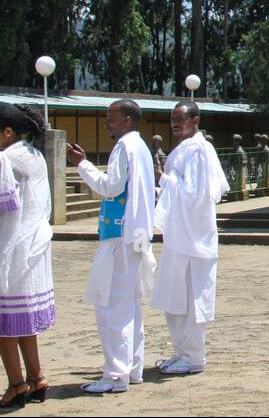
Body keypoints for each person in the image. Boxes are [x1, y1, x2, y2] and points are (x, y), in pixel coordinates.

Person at [68, 100, 157, 395]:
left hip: (120, 234)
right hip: (132, 234)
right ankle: (130, 368)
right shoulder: (140, 146)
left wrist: (82, 165)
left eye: (111, 118)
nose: (107, 122)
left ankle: (115, 375)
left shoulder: (124, 147)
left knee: (111, 306)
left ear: (127, 120)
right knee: (128, 305)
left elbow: (112, 187)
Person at [0, 103, 55, 408]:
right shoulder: (35, 154)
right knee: (24, 321)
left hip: (11, 246)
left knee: (4, 322)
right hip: (36, 242)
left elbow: (3, 208)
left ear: (8, 132)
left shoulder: (3, 160)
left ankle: (16, 383)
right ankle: (36, 375)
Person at [151, 101, 227, 375]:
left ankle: (195, 356)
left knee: (194, 298)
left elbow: (196, 195)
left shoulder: (199, 150)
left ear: (195, 120)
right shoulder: (184, 149)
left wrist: (164, 179)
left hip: (195, 239)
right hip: (178, 236)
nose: (175, 124)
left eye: (180, 118)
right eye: (172, 118)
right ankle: (180, 351)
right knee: (174, 297)